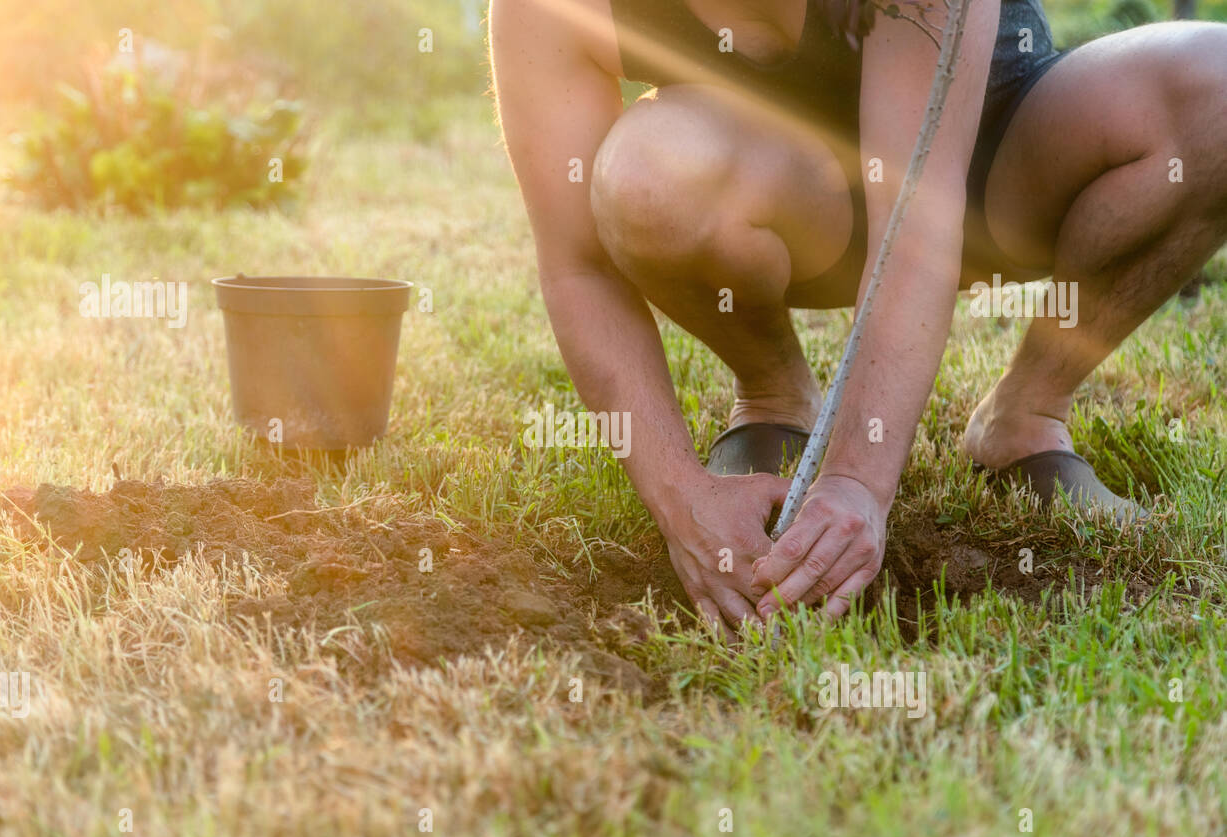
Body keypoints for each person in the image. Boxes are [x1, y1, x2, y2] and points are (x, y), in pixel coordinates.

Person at [489, 0, 1227, 630]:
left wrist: (856, 483)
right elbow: (577, 263)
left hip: (991, 175)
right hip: (794, 198)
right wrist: (679, 493)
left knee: (1217, 86)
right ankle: (774, 396)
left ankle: (1027, 413)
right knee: (648, 179)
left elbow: (917, 228)